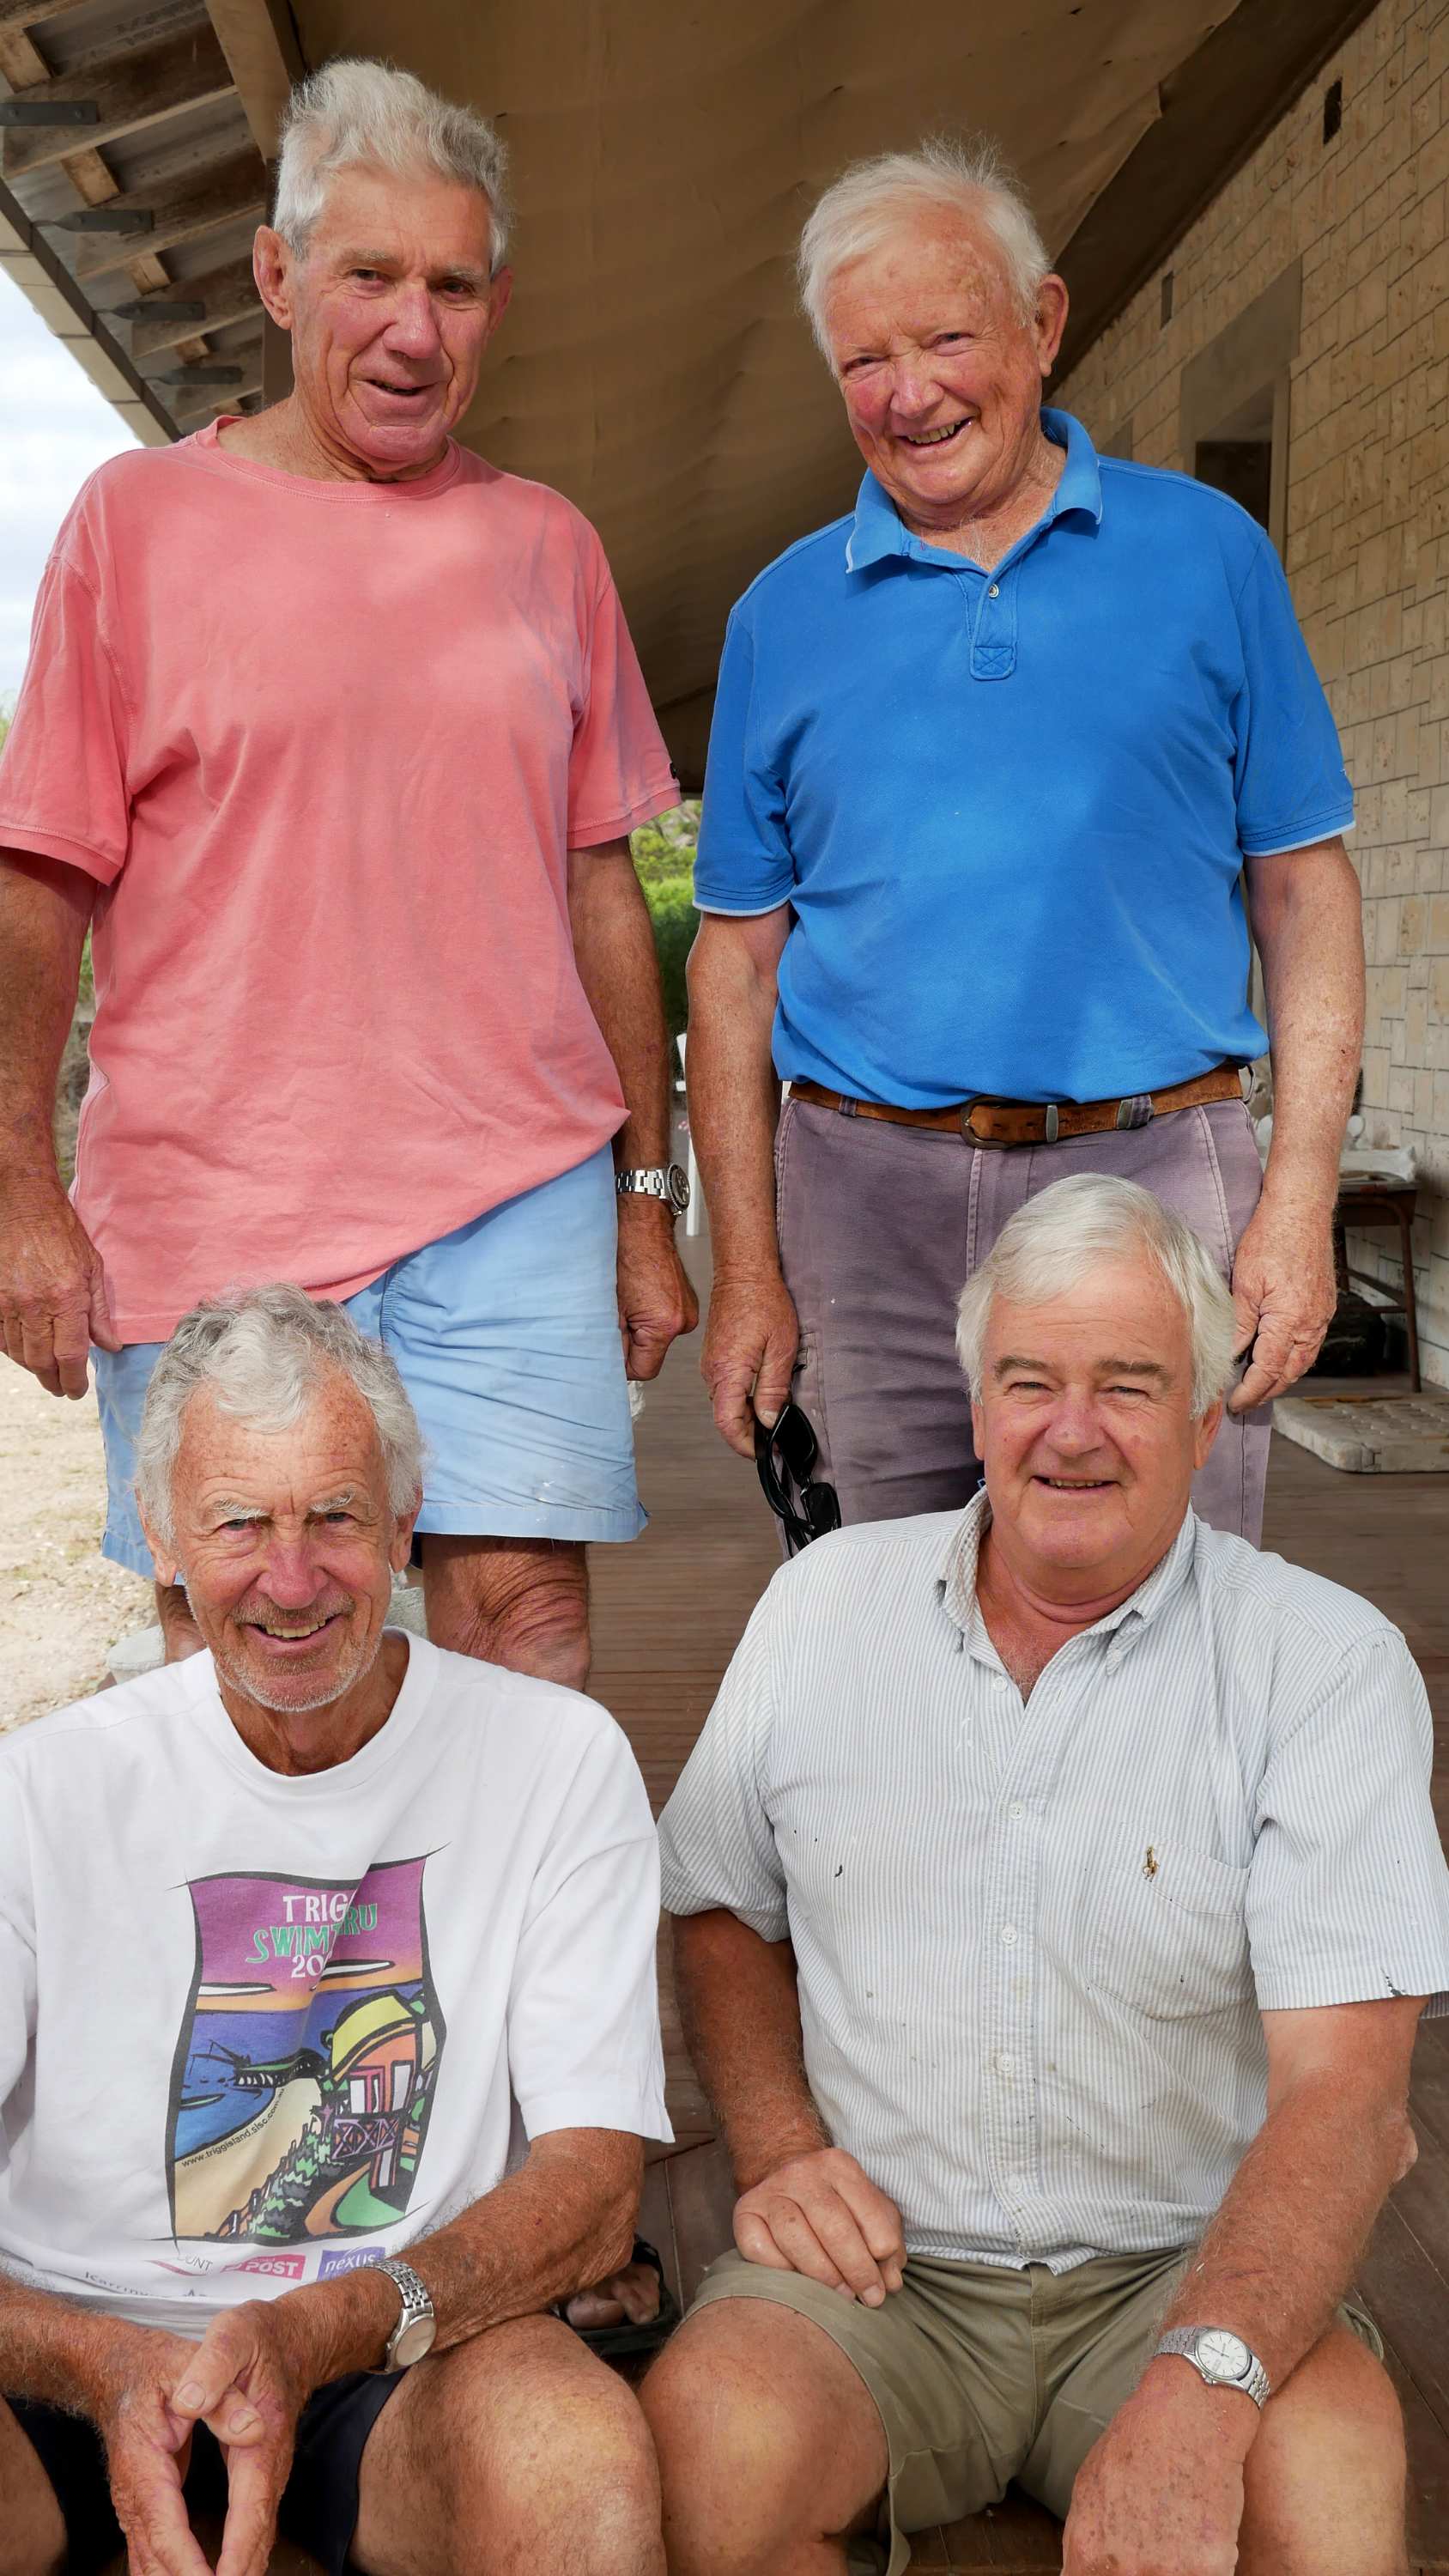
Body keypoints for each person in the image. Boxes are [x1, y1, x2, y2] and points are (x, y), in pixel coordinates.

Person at [0, 58, 695, 1689]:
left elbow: (604, 887)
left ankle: (508, 1886)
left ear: (496, 305)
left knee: (526, 1629)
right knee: (245, 1654)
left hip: (512, 1186)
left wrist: (647, 1201)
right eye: (369, 275)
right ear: (276, 275)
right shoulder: (133, 524)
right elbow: (40, 886)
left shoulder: (550, 545)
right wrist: (22, 1185)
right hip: (216, 1198)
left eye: (452, 286)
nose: (412, 329)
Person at [642, 1176, 1449, 2576]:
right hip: (881, 2274)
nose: (1072, 1431)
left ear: (1206, 1422)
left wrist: (1204, 2384)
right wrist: (774, 2144)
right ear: (977, 1410)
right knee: (708, 2457)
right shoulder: (824, 1608)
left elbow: (1349, 2099)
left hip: (1187, 2269)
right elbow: (719, 1898)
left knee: (1326, 2487)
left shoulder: (1323, 1664)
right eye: (1030, 1382)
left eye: (1129, 1386)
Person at [686, 137, 1363, 1546]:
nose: (910, 393)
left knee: (1165, 1604)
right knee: (885, 1604)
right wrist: (744, 1265)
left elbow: (1305, 889)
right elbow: (735, 967)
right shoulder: (779, 615)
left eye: (947, 338)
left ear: (1043, 325)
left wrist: (1300, 1193)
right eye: (865, 360)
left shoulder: (1211, 554)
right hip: (866, 1207)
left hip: (1158, 1176)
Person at [0, 1287, 670, 2576]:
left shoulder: (554, 1760)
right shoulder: (40, 1792)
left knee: (575, 2458)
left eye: (337, 1517)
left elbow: (593, 2192)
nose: (292, 1578)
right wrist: (99, 2361)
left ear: (408, 1522)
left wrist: (319, 2332)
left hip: (391, 2343)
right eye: (239, 1523)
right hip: (74, 2357)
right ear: (159, 1535)